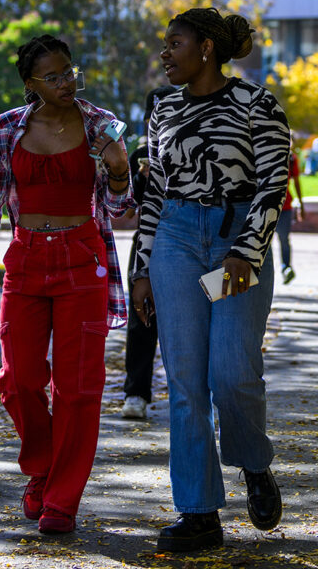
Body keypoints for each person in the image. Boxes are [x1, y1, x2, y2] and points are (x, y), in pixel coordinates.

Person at [0, 34, 133, 536]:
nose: (66, 82)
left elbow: (119, 208)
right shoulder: (7, 128)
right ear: (31, 83)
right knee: (18, 378)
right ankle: (42, 465)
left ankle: (62, 499)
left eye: (70, 71)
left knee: (77, 389)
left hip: (83, 260)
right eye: (53, 76)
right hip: (26, 259)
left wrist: (118, 170)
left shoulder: (100, 124)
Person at [131, 7, 290, 554]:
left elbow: (273, 184)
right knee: (185, 381)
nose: (164, 52)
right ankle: (198, 512)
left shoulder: (256, 104)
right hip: (176, 240)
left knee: (231, 371)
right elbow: (154, 192)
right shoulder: (163, 107)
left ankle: (253, 462)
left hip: (233, 246)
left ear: (205, 49)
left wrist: (247, 251)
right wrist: (143, 269)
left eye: (173, 43)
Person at [121, 86, 174, 421]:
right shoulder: (140, 151)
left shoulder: (193, 146)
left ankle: (197, 394)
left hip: (189, 241)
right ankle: (136, 393)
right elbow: (127, 207)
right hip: (147, 245)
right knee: (142, 321)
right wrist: (138, 179)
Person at [276, 142, 305, 284]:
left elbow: (297, 182)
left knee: (284, 239)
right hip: (265, 206)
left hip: (285, 206)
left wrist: (301, 204)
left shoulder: (291, 158)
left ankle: (286, 267)